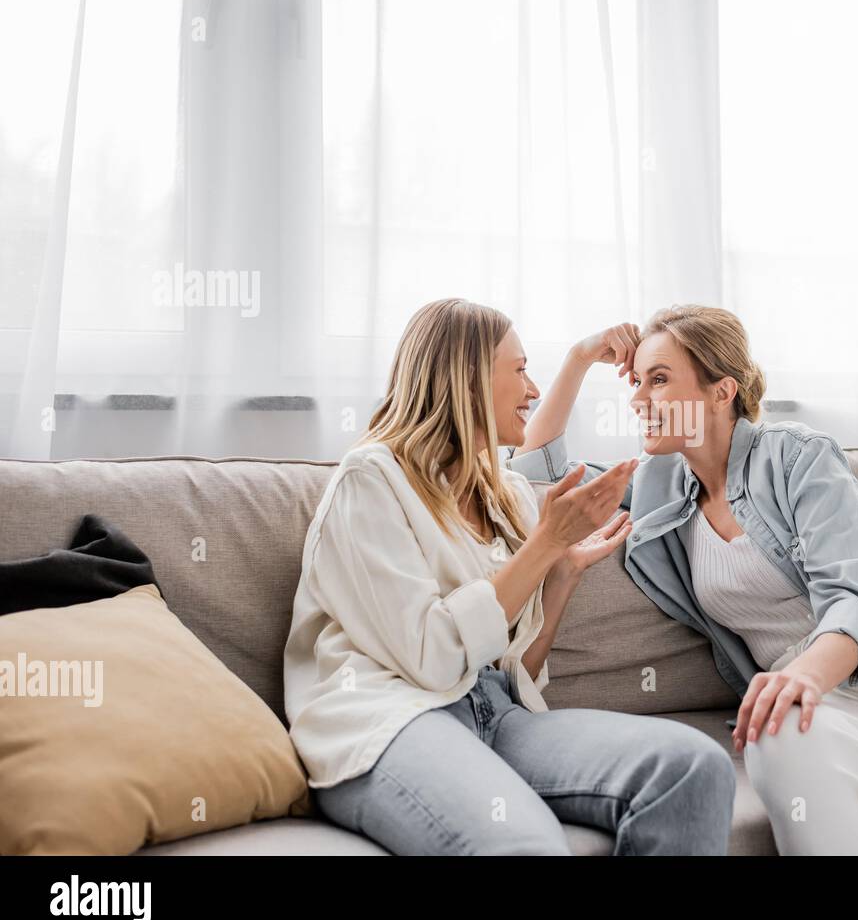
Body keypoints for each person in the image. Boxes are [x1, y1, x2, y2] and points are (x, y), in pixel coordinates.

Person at [507, 304, 858, 855]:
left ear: (721, 392)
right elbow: (536, 474)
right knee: (777, 739)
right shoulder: (657, 486)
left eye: (660, 380)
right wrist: (579, 358)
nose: (637, 399)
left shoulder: (795, 456)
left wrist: (804, 675)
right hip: (828, 697)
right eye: (638, 381)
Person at [283, 298, 736, 855]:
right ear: (468, 377)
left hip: (496, 711)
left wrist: (560, 572)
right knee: (523, 845)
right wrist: (545, 543)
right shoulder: (370, 480)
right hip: (390, 721)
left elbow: (519, 668)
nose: (533, 389)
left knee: (693, 770)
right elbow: (432, 660)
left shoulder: (507, 492)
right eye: (519, 370)